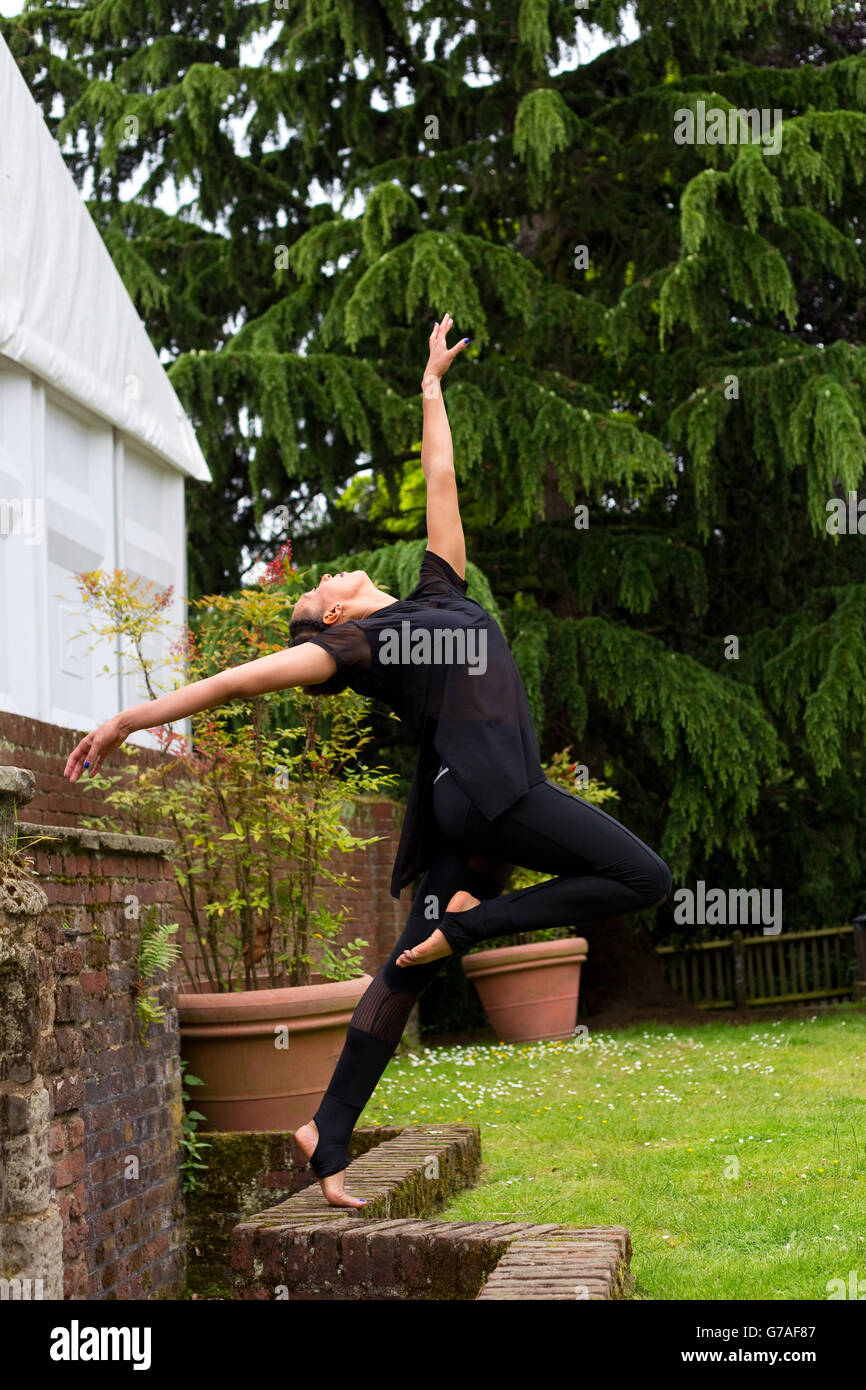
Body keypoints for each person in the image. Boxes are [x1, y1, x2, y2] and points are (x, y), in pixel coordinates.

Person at [64, 313, 672, 1210]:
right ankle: (470, 924)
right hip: (497, 794)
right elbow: (240, 681)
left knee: (405, 968)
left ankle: (328, 1132)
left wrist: (431, 386)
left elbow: (441, 477)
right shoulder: (356, 647)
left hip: (463, 808)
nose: (327, 579)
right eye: (319, 593)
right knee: (642, 874)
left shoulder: (441, 589)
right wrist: (137, 716)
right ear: (336, 621)